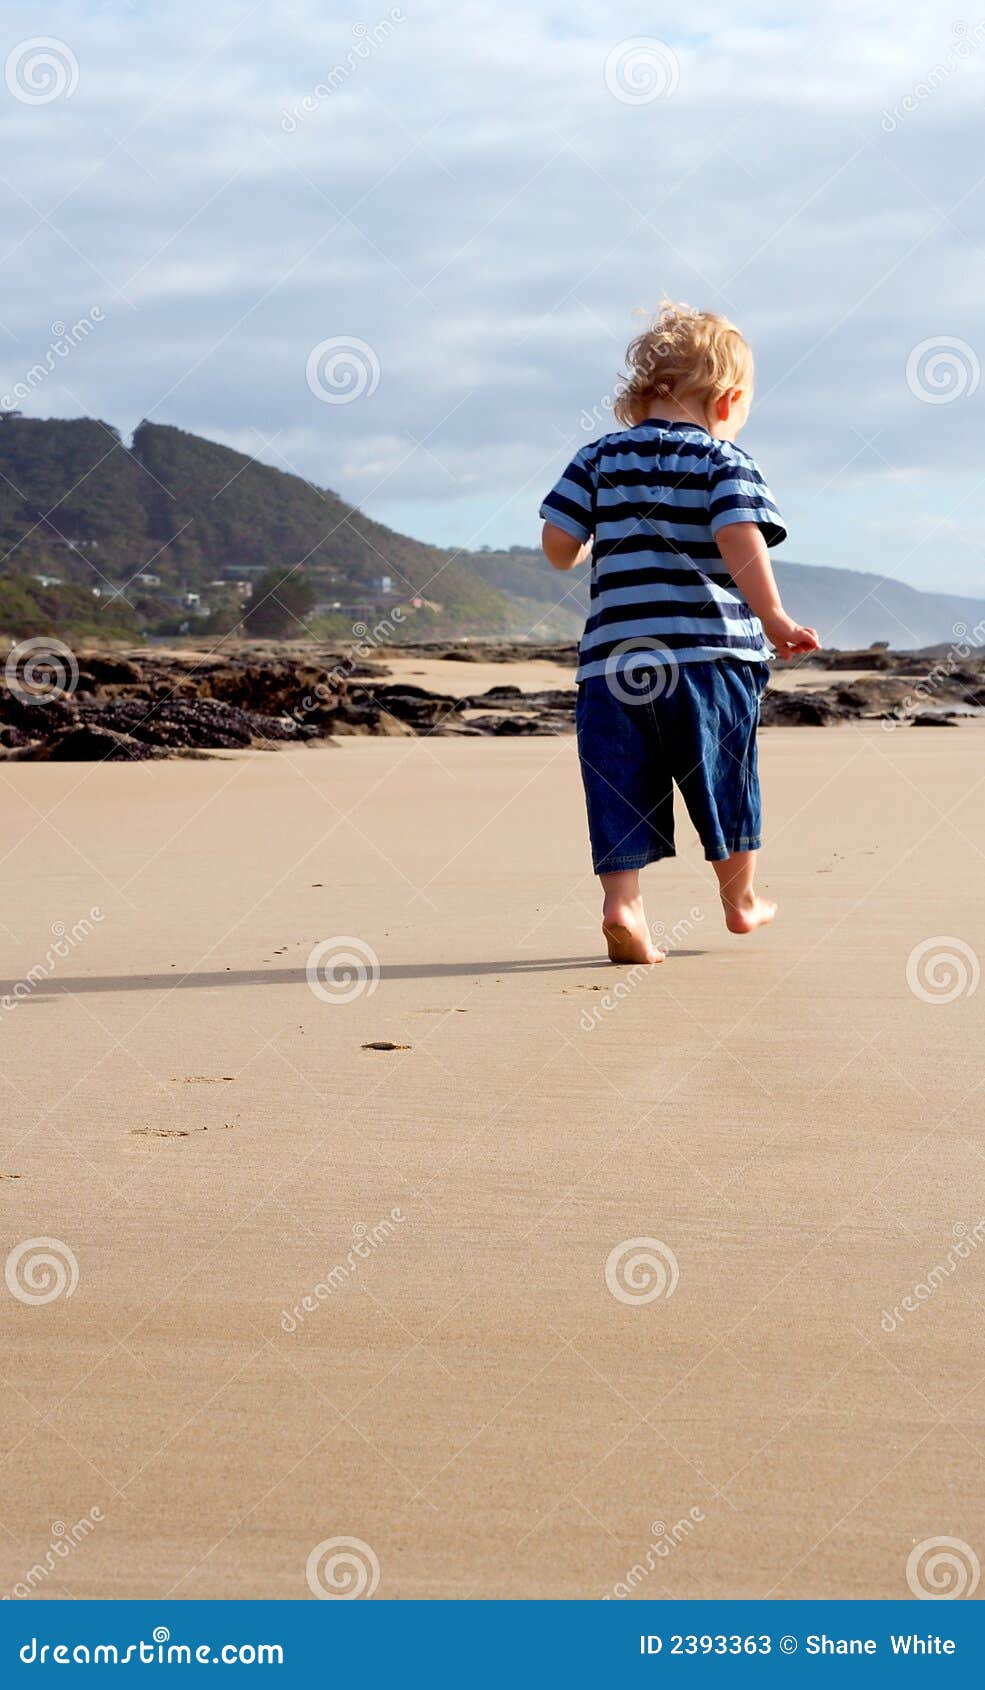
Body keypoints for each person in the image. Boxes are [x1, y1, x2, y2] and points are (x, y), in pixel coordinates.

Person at [540, 300, 819, 965]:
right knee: (726, 779)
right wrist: (774, 619)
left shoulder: (597, 457)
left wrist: (586, 541)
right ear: (725, 403)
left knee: (619, 785)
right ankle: (739, 902)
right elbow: (736, 536)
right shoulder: (725, 463)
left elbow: (557, 543)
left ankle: (623, 907)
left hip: (615, 666)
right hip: (708, 658)